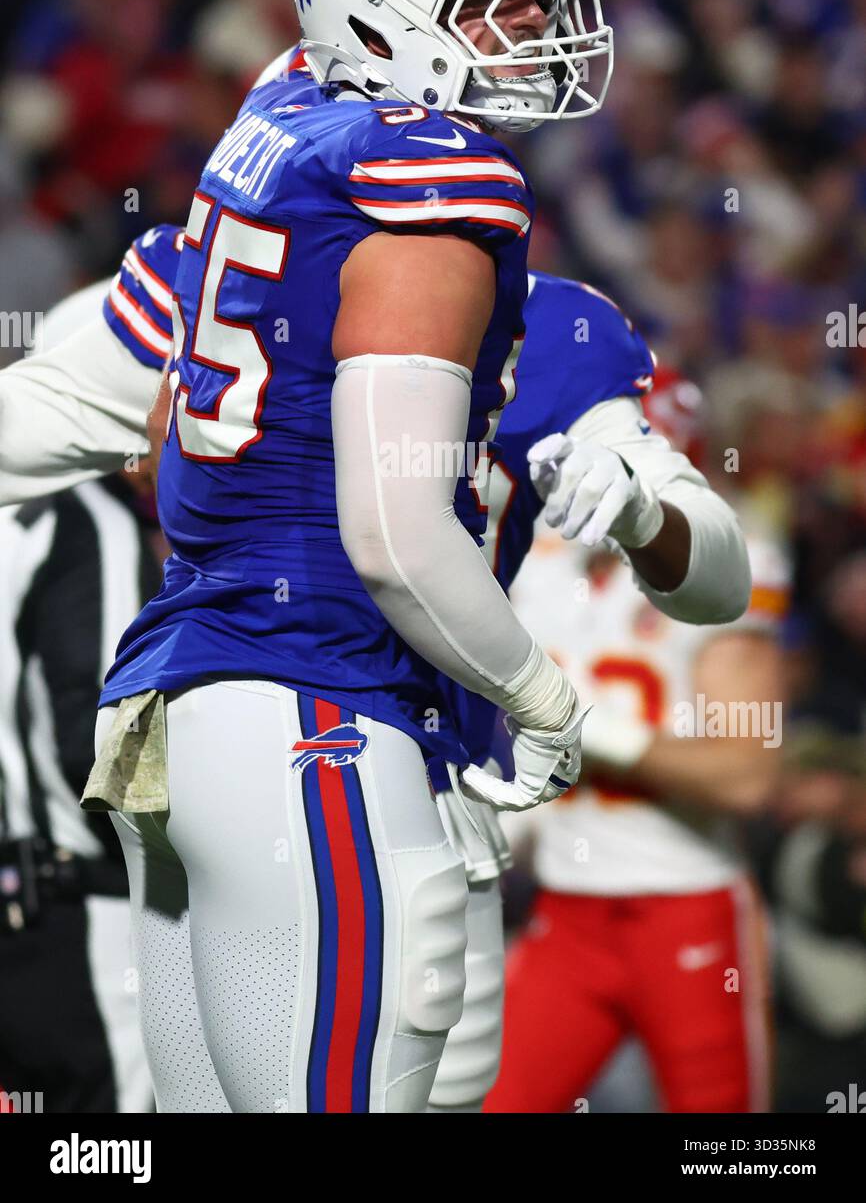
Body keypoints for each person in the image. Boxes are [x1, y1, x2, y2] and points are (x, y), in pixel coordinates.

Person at [0, 237, 753, 1113]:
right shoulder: (214, 271)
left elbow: (720, 580)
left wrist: (643, 510)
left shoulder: (553, 329)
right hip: (276, 740)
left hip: (422, 777)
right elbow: (29, 424)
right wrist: (542, 701)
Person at [483, 370, 785, 1113]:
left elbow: (747, 777)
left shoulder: (723, 569)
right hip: (567, 908)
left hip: (684, 902)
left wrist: (589, 729)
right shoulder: (539, 561)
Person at [0, 285, 155, 1114]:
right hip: (77, 911)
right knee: (112, 1153)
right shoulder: (87, 520)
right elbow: (103, 752)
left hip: (26, 909)